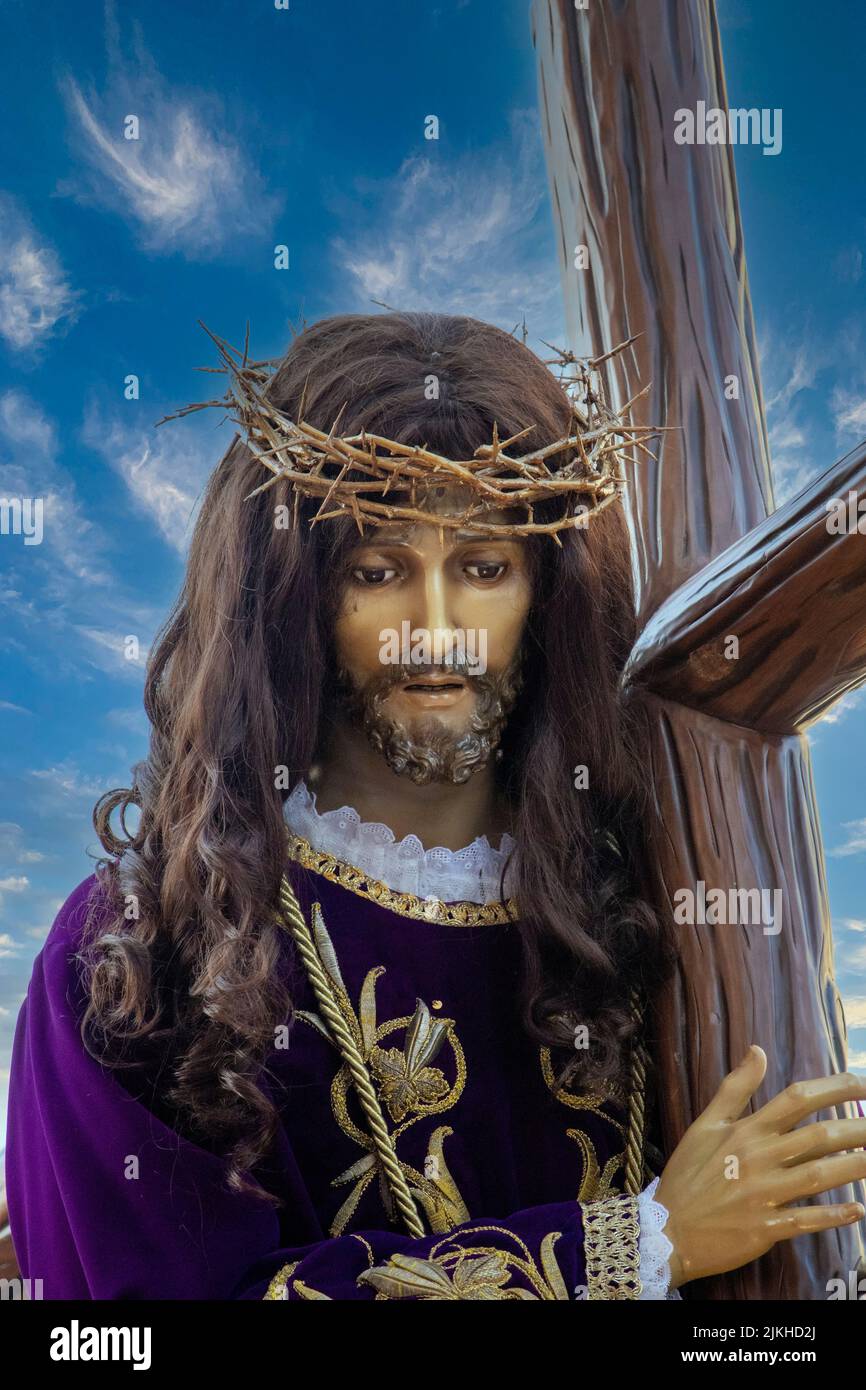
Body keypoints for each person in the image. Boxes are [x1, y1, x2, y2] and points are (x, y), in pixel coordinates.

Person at [6, 312, 866, 1300]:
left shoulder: (648, 901)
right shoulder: (133, 950)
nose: (438, 629)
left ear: (546, 595)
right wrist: (636, 1246)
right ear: (288, 597)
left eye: (483, 566)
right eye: (378, 570)